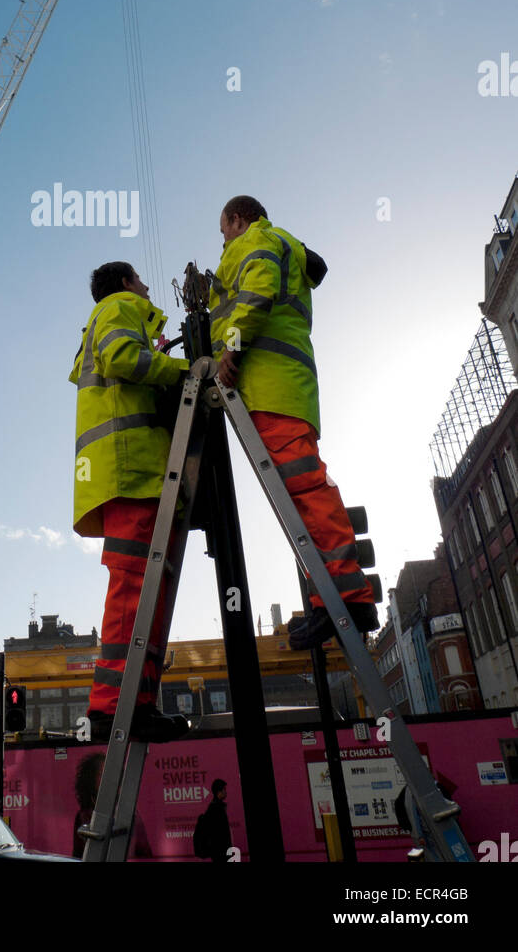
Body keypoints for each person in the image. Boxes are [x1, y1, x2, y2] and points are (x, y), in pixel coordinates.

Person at [209, 196, 378, 649]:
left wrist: (230, 351)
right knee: (299, 500)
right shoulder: (282, 244)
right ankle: (333, 598)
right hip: (283, 386)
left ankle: (346, 596)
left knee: (303, 490)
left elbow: (257, 292)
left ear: (238, 219)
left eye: (223, 228)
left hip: (269, 385)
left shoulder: (258, 239)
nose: (222, 238)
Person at [70, 261, 191, 743]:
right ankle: (112, 706)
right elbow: (123, 358)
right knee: (135, 584)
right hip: (130, 468)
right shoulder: (120, 307)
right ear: (125, 284)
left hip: (129, 470)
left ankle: (133, 702)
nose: (146, 285)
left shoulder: (111, 315)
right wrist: (181, 368)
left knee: (146, 588)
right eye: (141, 279)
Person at [193, 779, 233, 862]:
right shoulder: (216, 809)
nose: (226, 792)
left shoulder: (215, 807)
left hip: (219, 851)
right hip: (220, 852)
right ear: (219, 792)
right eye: (224, 789)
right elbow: (220, 833)